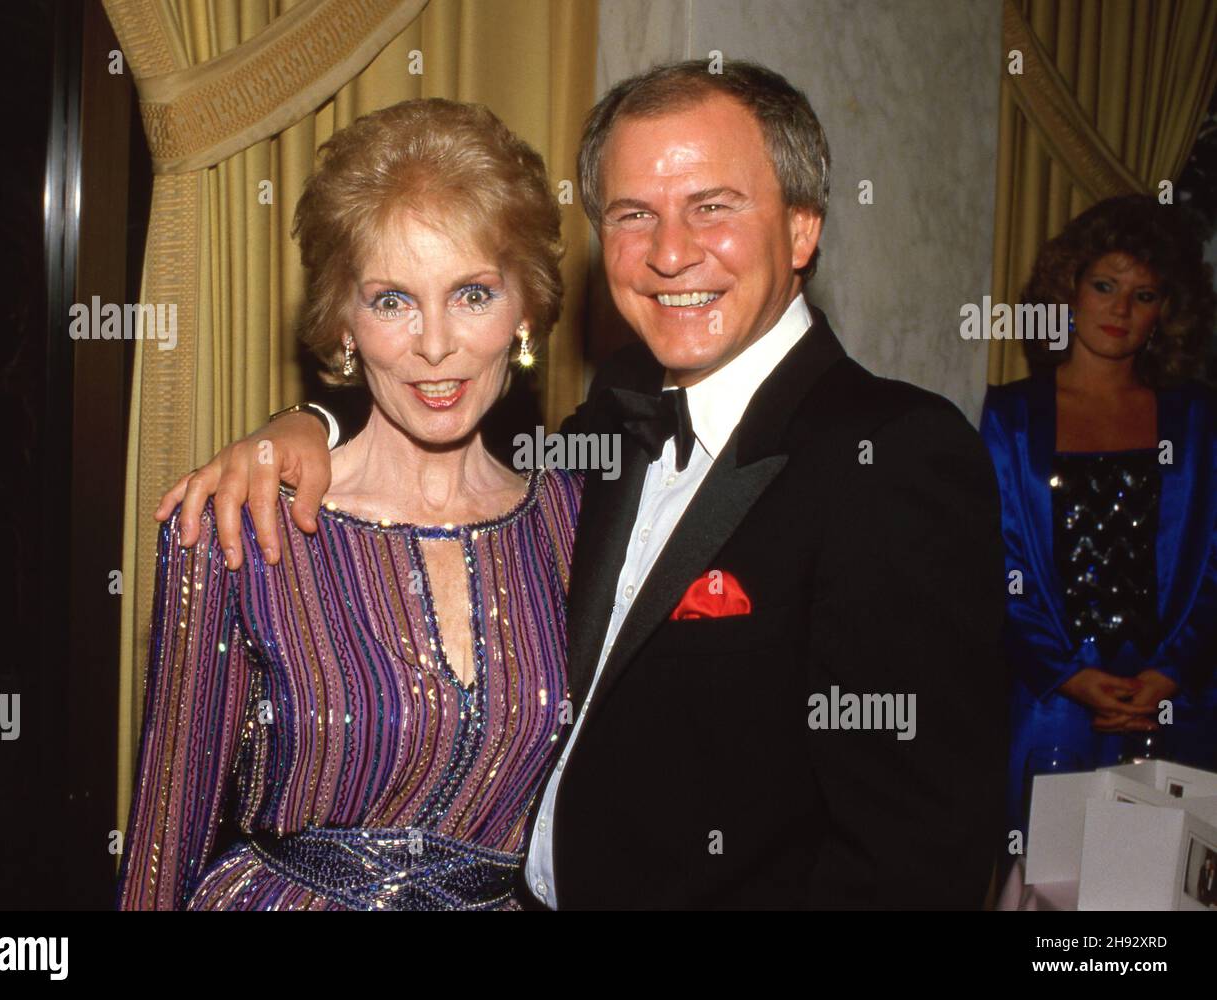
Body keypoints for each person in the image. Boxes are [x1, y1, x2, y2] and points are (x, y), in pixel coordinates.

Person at [161, 60, 1008, 908]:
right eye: (636, 215)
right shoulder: (599, 443)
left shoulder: (894, 456)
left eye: (713, 207)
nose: (672, 253)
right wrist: (307, 424)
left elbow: (918, 857)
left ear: (801, 228)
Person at [117, 98, 582, 910]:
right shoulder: (241, 519)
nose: (434, 344)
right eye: (392, 300)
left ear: (527, 310)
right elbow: (165, 834)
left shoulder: (579, 524)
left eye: (473, 293)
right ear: (342, 326)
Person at [981, 195, 1217, 837]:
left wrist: (1171, 673)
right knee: (1049, 893)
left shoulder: (1198, 418)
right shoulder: (1011, 416)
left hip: (1175, 704)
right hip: (1051, 703)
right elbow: (1000, 566)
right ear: (1069, 289)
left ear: (1167, 310)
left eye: (1145, 295)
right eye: (1106, 285)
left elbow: (1214, 561)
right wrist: (1068, 675)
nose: (1120, 308)